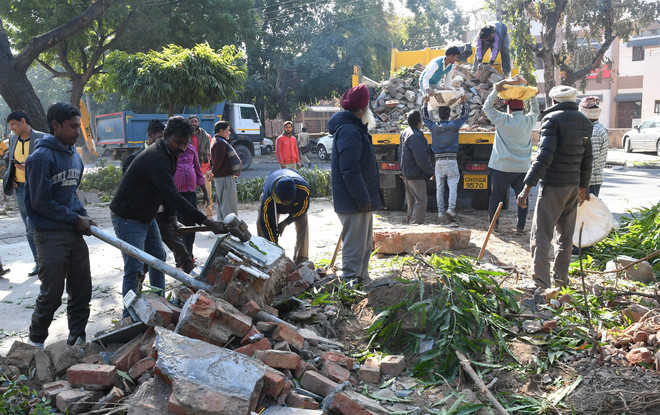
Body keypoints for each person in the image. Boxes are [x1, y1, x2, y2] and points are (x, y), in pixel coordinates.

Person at [110, 116, 227, 318]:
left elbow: (168, 194)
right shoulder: (156, 157)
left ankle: (160, 306)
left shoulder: (170, 153)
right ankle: (128, 316)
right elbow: (172, 196)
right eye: (178, 143)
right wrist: (206, 221)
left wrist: (172, 220)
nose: (182, 148)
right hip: (128, 216)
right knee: (135, 266)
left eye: (185, 143)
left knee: (158, 258)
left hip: (147, 214)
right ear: (165, 136)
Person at [25, 103, 93, 347]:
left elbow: (71, 194)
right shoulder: (40, 158)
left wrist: (82, 214)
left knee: (82, 289)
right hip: (49, 234)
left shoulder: (75, 157)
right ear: (55, 126)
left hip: (73, 233)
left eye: (79, 126)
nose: (78, 131)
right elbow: (40, 202)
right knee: (52, 293)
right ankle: (35, 343)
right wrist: (75, 219)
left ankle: (77, 337)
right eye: (73, 126)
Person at [517, 85, 593, 294]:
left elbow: (544, 157)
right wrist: (583, 187)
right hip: (573, 186)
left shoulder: (552, 120)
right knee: (565, 237)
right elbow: (588, 158)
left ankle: (541, 283)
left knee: (541, 234)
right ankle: (561, 281)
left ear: (554, 102)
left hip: (554, 186)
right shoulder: (585, 122)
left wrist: (527, 186)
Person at [122, 120, 194, 274]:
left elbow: (168, 191)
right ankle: (138, 290)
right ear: (151, 135)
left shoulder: (170, 156)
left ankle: (188, 285)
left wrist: (172, 216)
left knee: (177, 254)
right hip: (140, 215)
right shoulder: (135, 158)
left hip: (162, 216)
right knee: (141, 262)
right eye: (159, 137)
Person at [328, 84, 382, 283]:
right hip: (354, 200)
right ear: (362, 108)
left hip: (359, 198)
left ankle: (362, 279)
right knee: (354, 244)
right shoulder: (350, 131)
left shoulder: (353, 128)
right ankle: (351, 283)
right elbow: (350, 170)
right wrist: (362, 198)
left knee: (364, 244)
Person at [482, 76, 539, 233]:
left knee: (496, 197)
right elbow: (536, 110)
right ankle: (520, 227)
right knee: (522, 198)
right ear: (522, 107)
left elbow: (486, 108)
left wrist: (496, 90)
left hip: (501, 167)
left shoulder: (502, 119)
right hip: (522, 168)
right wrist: (531, 94)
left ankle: (494, 226)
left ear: (509, 108)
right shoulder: (529, 121)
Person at [3, 111, 45, 276]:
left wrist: (31, 167)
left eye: (14, 124)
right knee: (29, 228)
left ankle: (47, 262)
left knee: (39, 225)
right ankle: (38, 263)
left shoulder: (42, 139)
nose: (12, 128)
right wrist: (10, 176)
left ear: (23, 121)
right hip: (20, 189)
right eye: (10, 125)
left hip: (38, 188)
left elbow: (49, 162)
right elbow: (8, 158)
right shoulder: (13, 139)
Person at [423, 98, 469, 223]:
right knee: (453, 185)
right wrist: (463, 103)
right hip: (452, 160)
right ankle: (451, 209)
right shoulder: (454, 125)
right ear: (449, 115)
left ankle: (440, 213)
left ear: (439, 115)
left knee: (440, 188)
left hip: (439, 162)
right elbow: (465, 115)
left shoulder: (434, 127)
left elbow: (425, 118)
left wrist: (425, 103)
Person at [257, 169, 310, 264]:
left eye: (288, 202)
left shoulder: (303, 189)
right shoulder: (268, 199)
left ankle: (302, 258)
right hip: (273, 204)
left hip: (295, 206)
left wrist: (285, 223)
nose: (286, 205)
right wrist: (275, 248)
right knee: (262, 226)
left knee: (303, 221)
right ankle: (267, 257)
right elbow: (267, 225)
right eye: (284, 202)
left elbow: (302, 209)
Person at [174, 135, 210, 256]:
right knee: (178, 225)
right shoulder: (170, 150)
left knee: (191, 226)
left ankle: (189, 254)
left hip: (190, 193)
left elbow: (199, 172)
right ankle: (180, 257)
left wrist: (205, 193)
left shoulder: (191, 149)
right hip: (176, 195)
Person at [400, 109, 434, 224]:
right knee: (421, 201)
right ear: (419, 122)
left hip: (407, 173)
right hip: (416, 175)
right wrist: (430, 172)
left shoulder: (405, 132)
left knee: (411, 202)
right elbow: (421, 159)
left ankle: (409, 224)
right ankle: (416, 226)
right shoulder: (416, 136)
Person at [211, 120, 241, 220]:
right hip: (225, 177)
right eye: (228, 130)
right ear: (221, 131)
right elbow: (217, 162)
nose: (229, 132)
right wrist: (213, 173)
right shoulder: (220, 143)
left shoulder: (218, 141)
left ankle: (222, 227)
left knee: (223, 205)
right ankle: (230, 229)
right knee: (229, 206)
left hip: (222, 177)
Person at [579, 96, 608, 197]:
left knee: (588, 212)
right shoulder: (595, 128)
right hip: (590, 180)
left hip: (590, 181)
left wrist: (583, 184)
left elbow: (592, 161)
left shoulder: (594, 131)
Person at [189, 115, 213, 216]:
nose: (194, 123)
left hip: (204, 168)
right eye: (192, 122)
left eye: (195, 121)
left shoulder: (206, 136)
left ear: (199, 123)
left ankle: (209, 215)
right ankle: (192, 214)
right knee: (191, 194)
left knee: (208, 193)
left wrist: (211, 168)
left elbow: (211, 153)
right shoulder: (185, 137)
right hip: (190, 168)